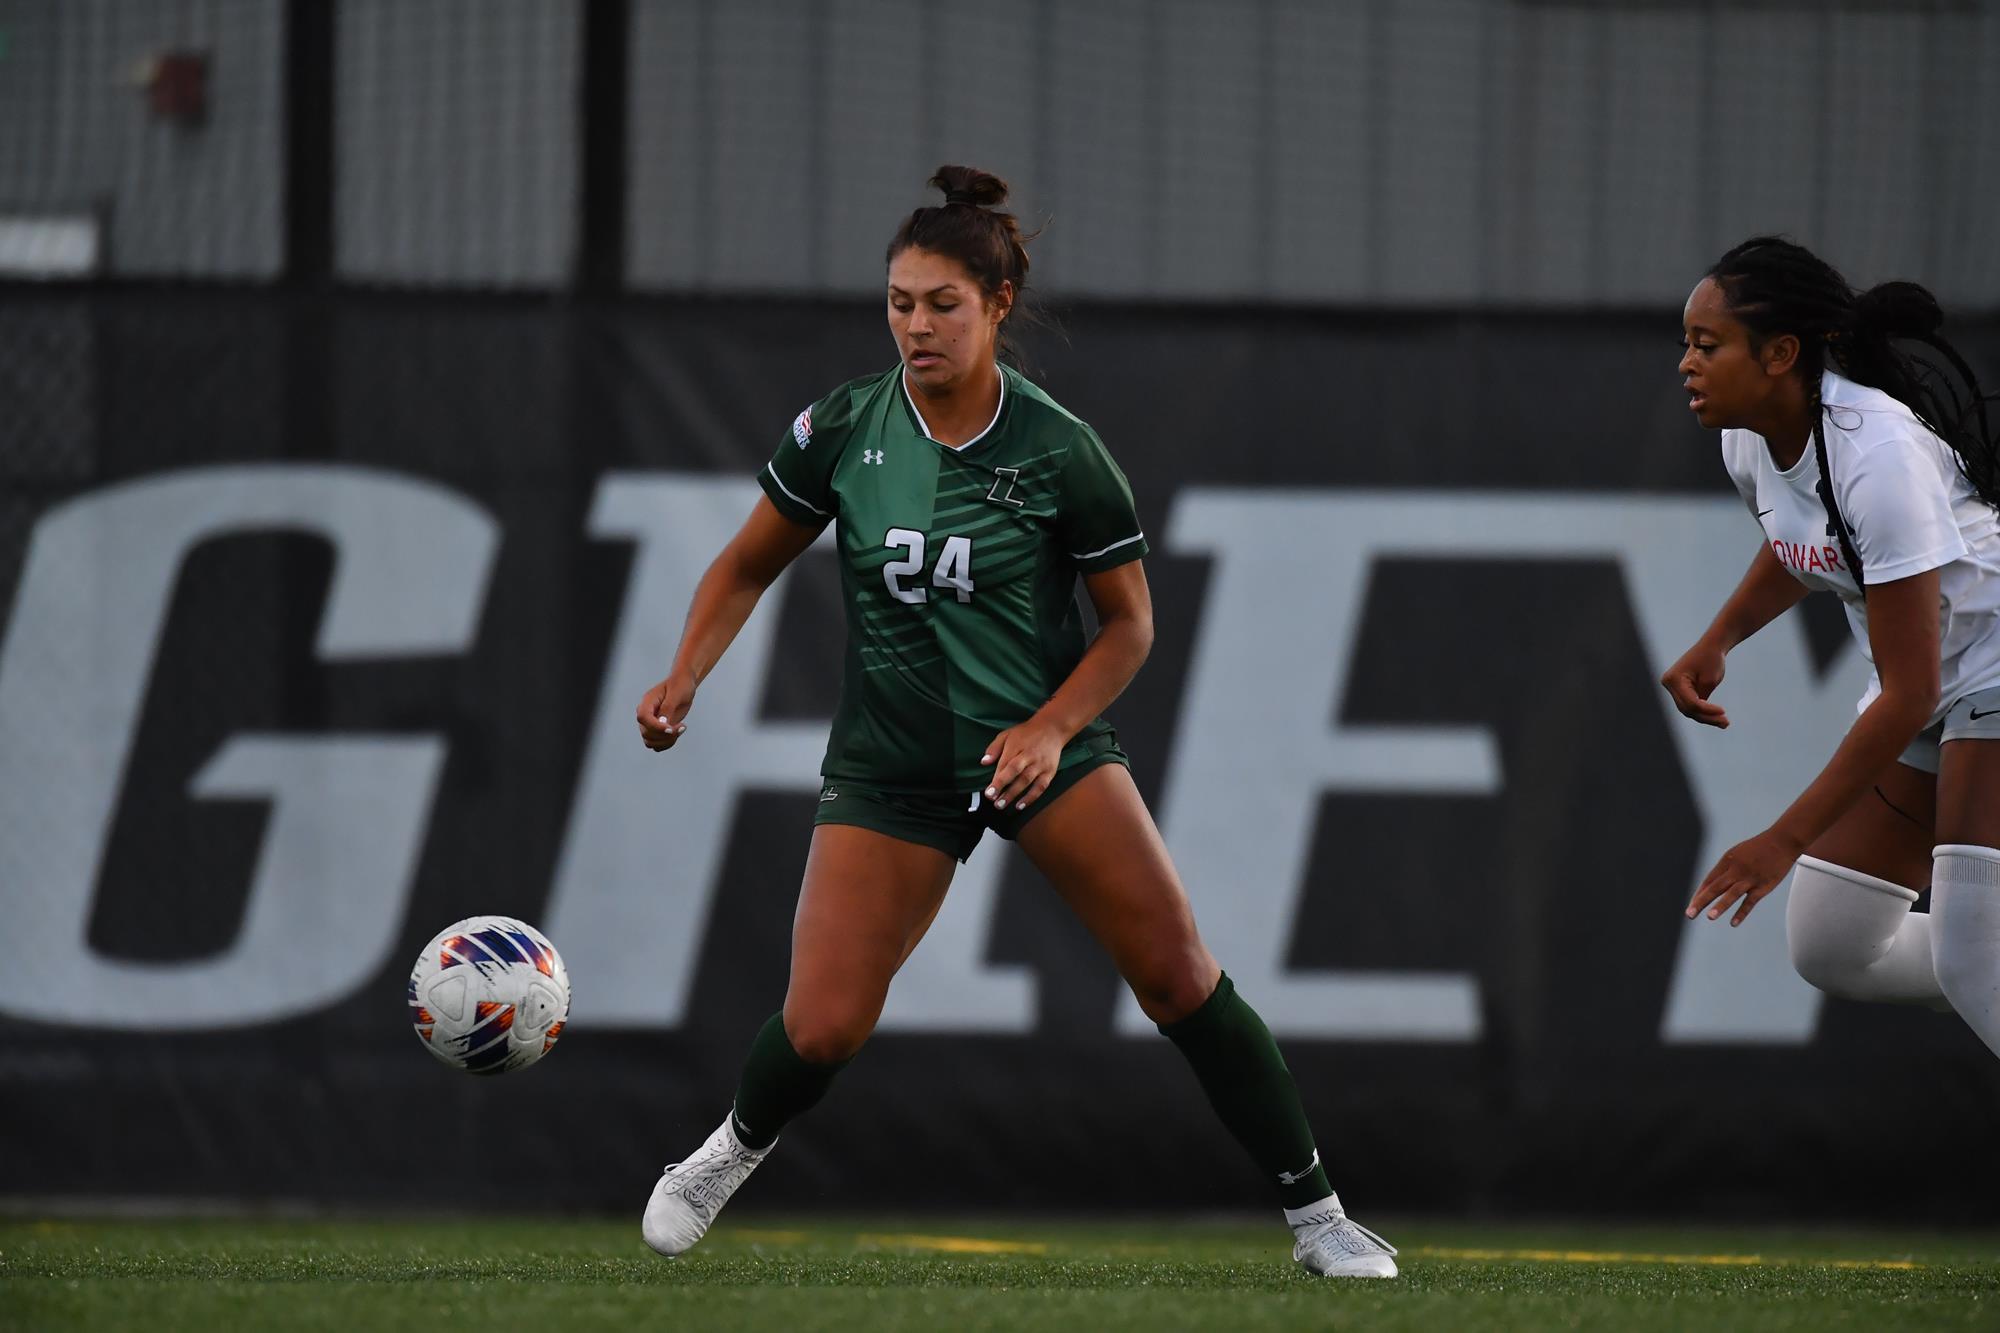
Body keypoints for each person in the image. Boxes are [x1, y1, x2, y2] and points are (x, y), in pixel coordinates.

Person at [629, 166, 1397, 1279]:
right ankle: (720, 1155)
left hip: (1040, 745)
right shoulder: (842, 425)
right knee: (824, 1026)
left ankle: (1318, 1217)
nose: (915, 325)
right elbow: (745, 563)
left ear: (996, 305)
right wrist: (684, 673)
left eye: (941, 303)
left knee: (1176, 973)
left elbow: (1128, 626)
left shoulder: (1057, 448)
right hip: (894, 761)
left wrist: (1047, 729)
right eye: (898, 301)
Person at [1663, 235, 2000, 1058]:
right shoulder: (1748, 437)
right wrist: (1721, 636)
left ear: (1781, 354)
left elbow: (1912, 692)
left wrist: (1783, 838)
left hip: (1989, 662)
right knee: (1835, 942)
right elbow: (1802, 543)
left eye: (1708, 344)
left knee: (1974, 956)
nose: (1686, 364)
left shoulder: (1877, 454)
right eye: (1686, 343)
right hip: (1937, 681)